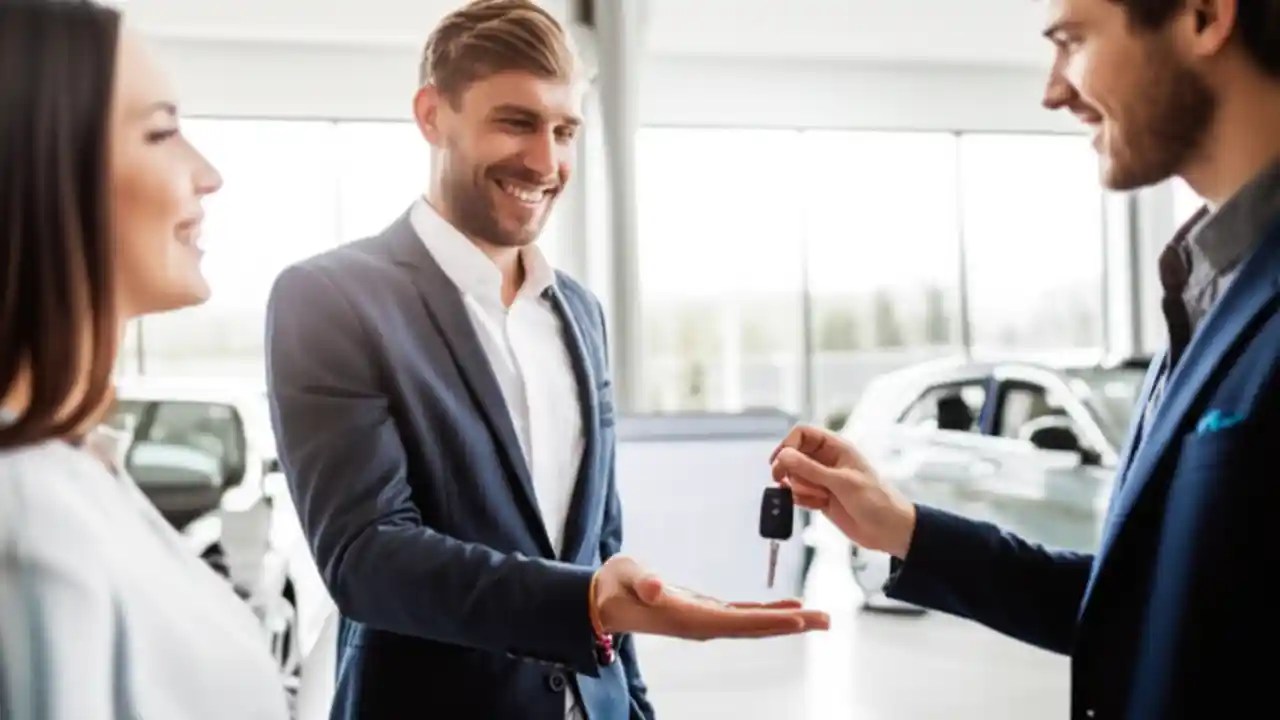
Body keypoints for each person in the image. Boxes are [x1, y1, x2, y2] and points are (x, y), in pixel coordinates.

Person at [263, 1, 829, 719]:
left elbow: (601, 546)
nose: (546, 161)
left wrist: (635, 706)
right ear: (433, 115)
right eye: (516, 122)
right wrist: (583, 603)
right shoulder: (330, 299)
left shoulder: (578, 313)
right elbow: (367, 558)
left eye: (565, 130)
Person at [771, 0, 1280, 718]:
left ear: (1203, 15)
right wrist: (902, 528)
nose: (1054, 90)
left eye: (1072, 42)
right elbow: (1136, 614)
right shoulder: (1202, 286)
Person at [0, 2, 290, 719]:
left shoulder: (76, 469)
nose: (208, 174)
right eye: (161, 132)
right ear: (45, 167)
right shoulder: (25, 512)